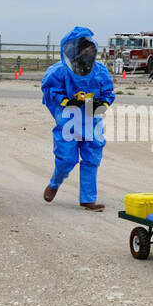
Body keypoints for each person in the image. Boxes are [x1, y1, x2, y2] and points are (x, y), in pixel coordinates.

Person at [41, 26, 115, 211]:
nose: (88, 55)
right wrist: (66, 100)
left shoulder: (99, 71)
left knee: (92, 158)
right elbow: (51, 90)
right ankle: (55, 183)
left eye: (91, 51)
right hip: (70, 117)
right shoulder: (60, 71)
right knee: (66, 158)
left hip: (92, 118)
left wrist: (102, 104)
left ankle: (88, 199)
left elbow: (108, 92)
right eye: (85, 51)